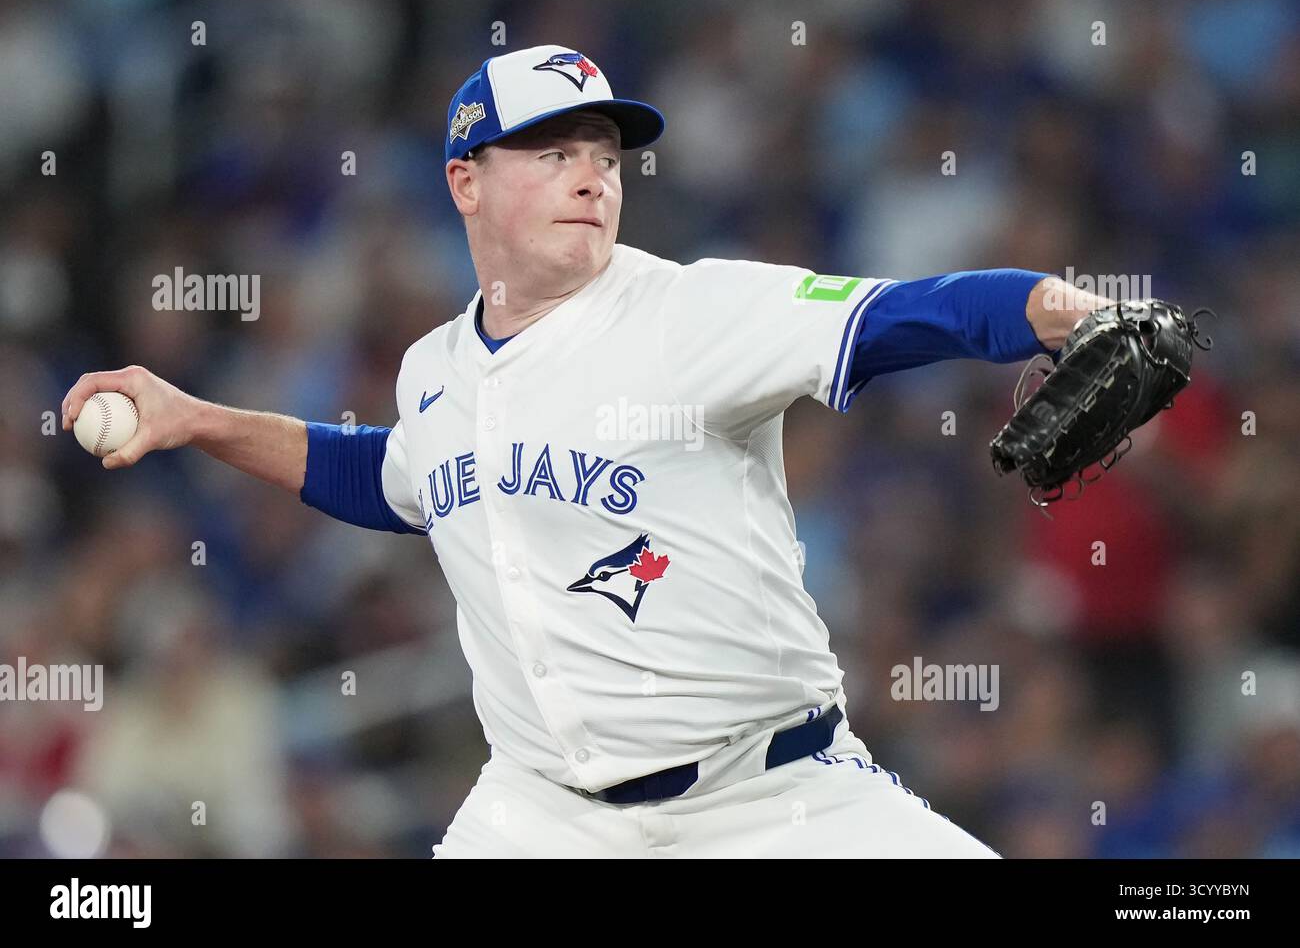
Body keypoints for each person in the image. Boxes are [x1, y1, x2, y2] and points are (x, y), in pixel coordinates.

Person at [63, 44, 1112, 857]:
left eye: (604, 156)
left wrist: (1054, 309)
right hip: (543, 814)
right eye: (553, 151)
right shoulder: (434, 368)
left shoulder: (690, 312)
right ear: (466, 182)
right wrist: (197, 418)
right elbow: (385, 477)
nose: (590, 177)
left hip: (772, 796)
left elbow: (904, 314)